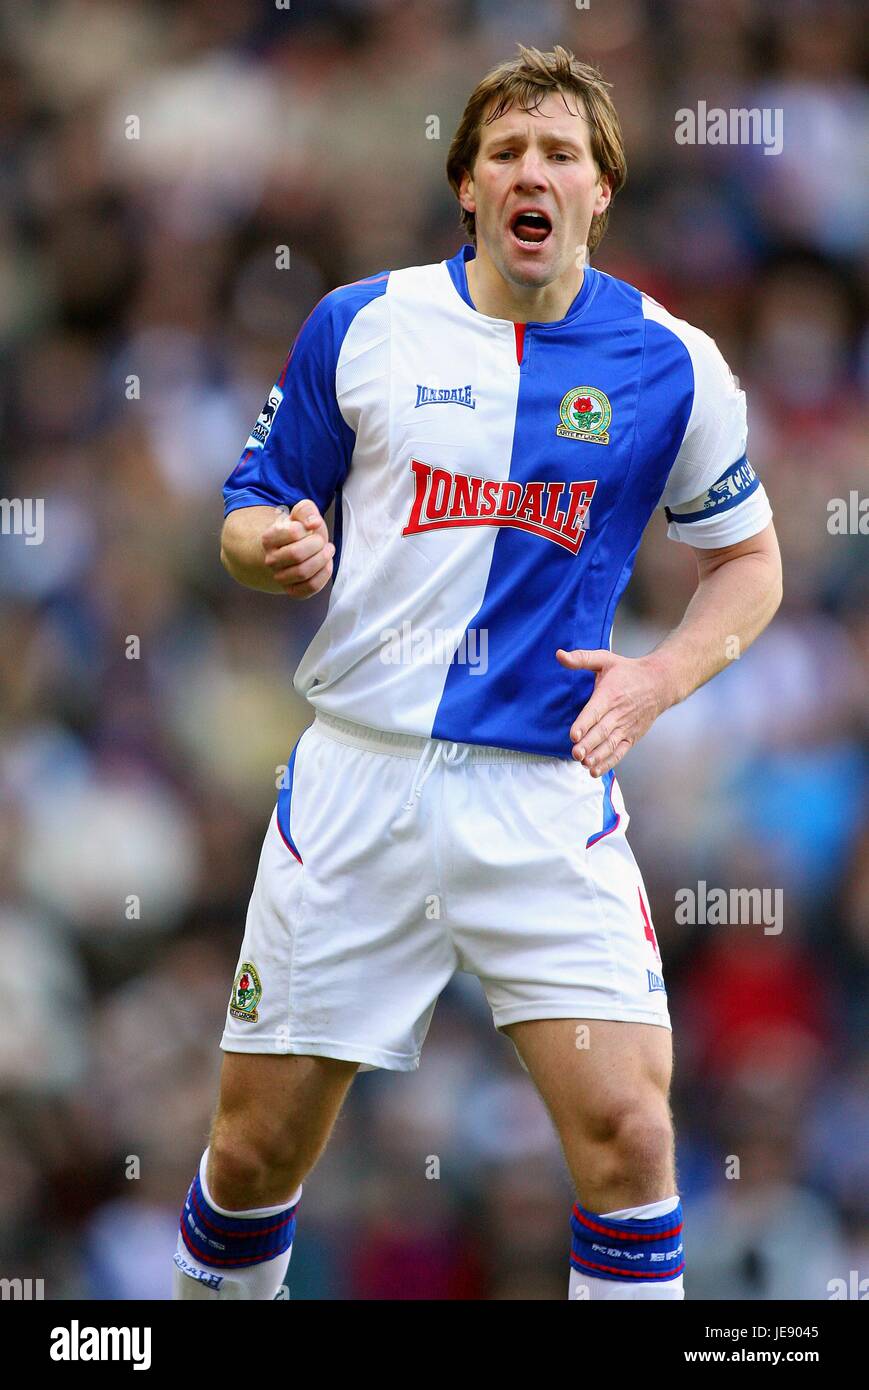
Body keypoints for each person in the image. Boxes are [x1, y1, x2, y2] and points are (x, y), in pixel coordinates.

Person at [173, 44, 782, 1301]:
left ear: (600, 189)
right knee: (250, 1153)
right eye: (505, 151)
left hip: (542, 795)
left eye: (559, 152)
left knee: (628, 1136)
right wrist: (270, 548)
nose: (531, 171)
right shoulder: (362, 325)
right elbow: (245, 509)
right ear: (465, 183)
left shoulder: (670, 364)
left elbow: (750, 564)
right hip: (361, 782)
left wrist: (658, 679)